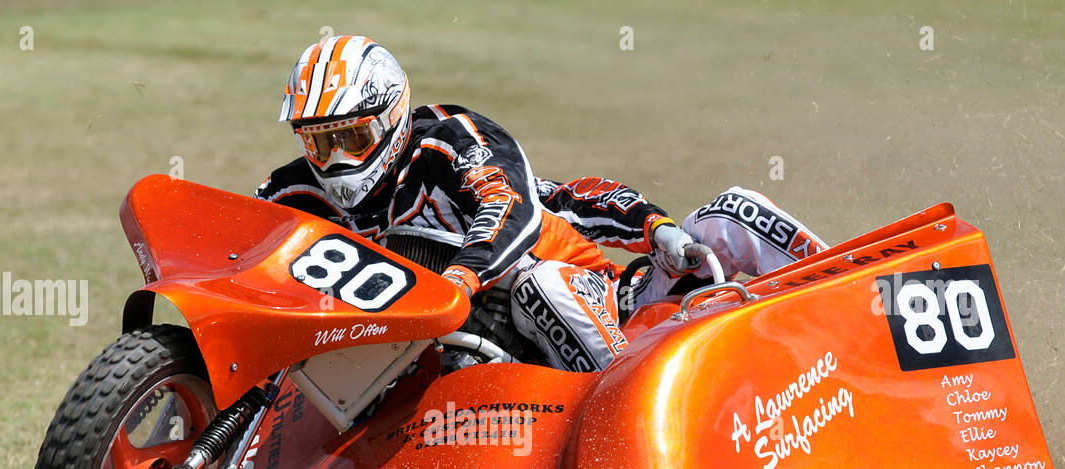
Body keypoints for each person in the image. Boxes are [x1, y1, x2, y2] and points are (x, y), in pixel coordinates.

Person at [257, 35, 824, 371]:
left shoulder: (456, 144)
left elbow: (530, 208)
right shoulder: (300, 189)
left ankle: (846, 299)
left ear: (390, 118)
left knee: (732, 209)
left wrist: (658, 229)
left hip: (610, 305)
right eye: (317, 141)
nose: (334, 161)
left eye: (350, 138)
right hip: (454, 359)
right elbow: (235, 239)